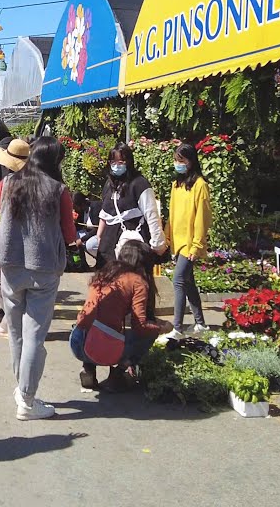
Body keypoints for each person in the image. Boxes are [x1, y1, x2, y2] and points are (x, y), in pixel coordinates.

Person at [0, 136, 79, 420]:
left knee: (17, 335)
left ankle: (22, 389)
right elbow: (70, 235)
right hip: (44, 269)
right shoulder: (59, 190)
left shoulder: (7, 184)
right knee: (34, 335)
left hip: (9, 267)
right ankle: (28, 400)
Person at [70, 240, 161, 392]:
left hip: (78, 341)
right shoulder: (137, 281)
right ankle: (118, 375)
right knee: (148, 334)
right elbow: (141, 326)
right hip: (103, 349)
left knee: (95, 325)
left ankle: (88, 368)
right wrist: (161, 327)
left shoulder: (104, 273)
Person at [90, 144, 168, 269]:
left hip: (131, 245)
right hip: (108, 244)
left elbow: (151, 213)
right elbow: (104, 213)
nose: (116, 166)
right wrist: (99, 237)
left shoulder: (139, 183)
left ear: (128, 162)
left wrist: (157, 243)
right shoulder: (109, 184)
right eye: (113, 162)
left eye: (120, 162)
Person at [164, 142, 212, 340]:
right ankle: (200, 323)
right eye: (176, 160)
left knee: (178, 281)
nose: (177, 164)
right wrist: (167, 237)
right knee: (188, 282)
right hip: (178, 241)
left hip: (190, 243)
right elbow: (172, 214)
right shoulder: (176, 185)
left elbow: (203, 218)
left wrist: (197, 245)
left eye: (181, 160)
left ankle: (177, 327)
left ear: (191, 162)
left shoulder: (200, 185)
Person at [0, 138, 30, 336]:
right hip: (36, 245)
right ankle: (12, 319)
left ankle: (12, 316)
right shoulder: (43, 183)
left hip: (9, 243)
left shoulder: (6, 184)